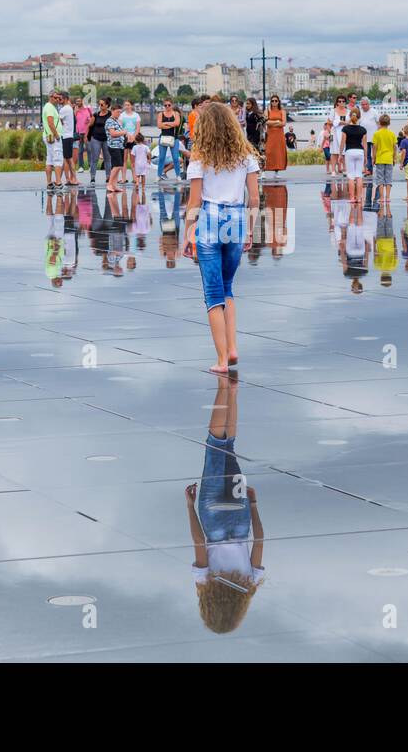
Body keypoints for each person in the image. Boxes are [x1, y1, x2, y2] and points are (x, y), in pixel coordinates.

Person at [183, 100, 260, 374]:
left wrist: (187, 234)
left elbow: (194, 202)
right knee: (227, 288)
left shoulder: (199, 158)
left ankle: (221, 360)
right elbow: (254, 198)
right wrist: (251, 229)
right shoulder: (246, 157)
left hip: (210, 221)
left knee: (213, 293)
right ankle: (233, 347)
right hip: (237, 220)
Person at [186, 375, 264, 635]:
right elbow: (199, 542)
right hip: (213, 522)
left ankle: (233, 391)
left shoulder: (251, 583)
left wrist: (252, 504)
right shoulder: (205, 583)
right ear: (207, 609)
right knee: (214, 446)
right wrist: (189, 505)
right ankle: (222, 387)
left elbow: (260, 539)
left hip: (241, 522)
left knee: (229, 448)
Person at [340, 108, 367, 204]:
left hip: (349, 152)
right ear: (359, 116)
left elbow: (342, 142)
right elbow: (365, 144)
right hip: (360, 152)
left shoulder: (345, 129)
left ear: (350, 116)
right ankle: (359, 198)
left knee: (351, 176)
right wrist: (366, 157)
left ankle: (352, 198)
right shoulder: (363, 130)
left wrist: (340, 154)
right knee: (359, 176)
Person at [42, 90, 64, 190]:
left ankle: (49, 182)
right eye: (56, 98)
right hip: (54, 137)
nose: (58, 100)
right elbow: (50, 123)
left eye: (59, 98)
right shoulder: (50, 107)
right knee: (58, 159)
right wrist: (57, 135)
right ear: (50, 97)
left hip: (49, 136)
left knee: (49, 160)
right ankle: (58, 182)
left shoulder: (49, 107)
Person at [158, 98, 184, 181]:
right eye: (165, 105)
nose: (167, 107)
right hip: (163, 137)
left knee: (176, 158)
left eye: (169, 105)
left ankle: (178, 175)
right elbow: (159, 125)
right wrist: (170, 125)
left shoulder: (176, 114)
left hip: (174, 138)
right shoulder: (161, 114)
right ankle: (159, 175)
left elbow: (177, 123)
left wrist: (165, 123)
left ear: (172, 105)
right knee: (161, 157)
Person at [372, 114, 396, 202]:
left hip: (380, 159)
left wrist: (373, 158)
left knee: (380, 179)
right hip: (389, 158)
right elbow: (394, 147)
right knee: (388, 178)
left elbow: (374, 147)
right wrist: (394, 158)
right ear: (389, 123)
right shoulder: (392, 134)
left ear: (380, 122)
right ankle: (388, 197)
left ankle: (382, 197)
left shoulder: (376, 134)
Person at [88, 97, 111, 184]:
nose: (100, 106)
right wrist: (87, 136)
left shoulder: (110, 115)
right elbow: (90, 125)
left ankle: (108, 177)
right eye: (99, 104)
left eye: (102, 104)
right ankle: (93, 177)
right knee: (95, 158)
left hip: (107, 139)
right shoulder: (96, 115)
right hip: (96, 138)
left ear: (107, 106)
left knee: (107, 158)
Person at [264, 95, 287, 176]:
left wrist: (272, 123)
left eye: (276, 101)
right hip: (270, 134)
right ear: (270, 102)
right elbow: (266, 122)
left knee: (278, 153)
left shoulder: (282, 111)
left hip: (279, 135)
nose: (274, 102)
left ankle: (276, 172)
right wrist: (277, 122)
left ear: (278, 102)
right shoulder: (267, 111)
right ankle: (264, 171)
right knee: (268, 151)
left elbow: (284, 123)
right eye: (272, 101)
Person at [59, 90, 78, 186]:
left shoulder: (64, 109)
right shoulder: (69, 108)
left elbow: (57, 121)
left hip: (65, 136)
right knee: (67, 158)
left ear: (65, 99)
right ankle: (68, 178)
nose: (58, 100)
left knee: (68, 159)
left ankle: (71, 179)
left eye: (60, 98)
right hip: (69, 136)